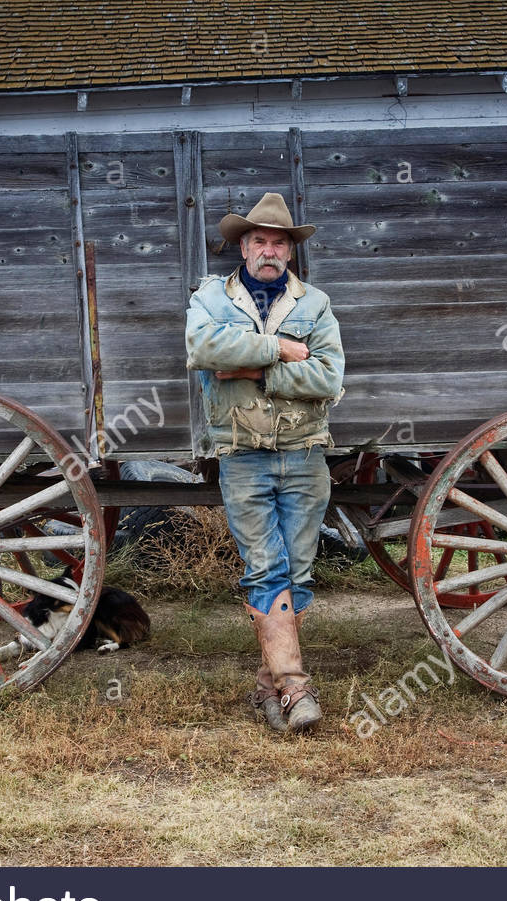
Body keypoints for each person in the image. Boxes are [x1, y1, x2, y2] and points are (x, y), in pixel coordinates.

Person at [184, 193, 345, 733]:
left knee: (296, 571)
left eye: (279, 242)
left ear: (290, 252)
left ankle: (268, 685)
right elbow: (203, 350)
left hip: (305, 456)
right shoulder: (213, 297)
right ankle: (297, 690)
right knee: (264, 569)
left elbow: (328, 379)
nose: (269, 250)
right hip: (244, 458)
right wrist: (281, 349)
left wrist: (251, 368)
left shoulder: (314, 304)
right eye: (259, 241)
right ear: (243, 247)